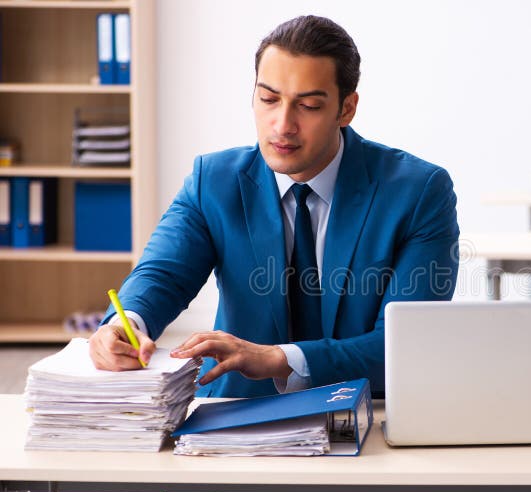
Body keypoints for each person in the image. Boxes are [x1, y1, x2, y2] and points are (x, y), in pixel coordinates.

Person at [88, 15, 459, 401]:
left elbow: (402, 344)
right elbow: (162, 275)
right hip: (237, 414)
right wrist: (125, 323)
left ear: (346, 109)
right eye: (268, 99)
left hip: (366, 412)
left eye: (309, 106)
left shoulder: (418, 193)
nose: (282, 125)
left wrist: (281, 359)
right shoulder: (212, 182)